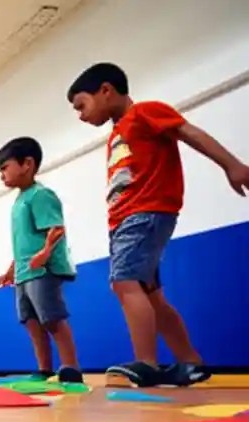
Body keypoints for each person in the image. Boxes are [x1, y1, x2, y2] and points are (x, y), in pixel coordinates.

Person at [67, 62, 249, 387]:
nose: (80, 115)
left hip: (144, 214)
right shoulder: (119, 132)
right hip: (128, 219)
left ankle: (146, 362)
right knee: (151, 295)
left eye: (82, 105)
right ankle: (190, 361)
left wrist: (232, 165)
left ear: (106, 91)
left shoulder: (145, 112)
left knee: (123, 282)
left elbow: (189, 132)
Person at [0, 137, 83, 383]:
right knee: (31, 322)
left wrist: (44, 253)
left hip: (41, 271)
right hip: (24, 273)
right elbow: (22, 243)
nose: (2, 175)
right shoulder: (18, 201)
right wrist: (11, 269)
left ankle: (70, 367)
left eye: (4, 167)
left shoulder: (40, 195)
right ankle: (44, 369)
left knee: (52, 318)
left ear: (27, 164)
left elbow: (56, 228)